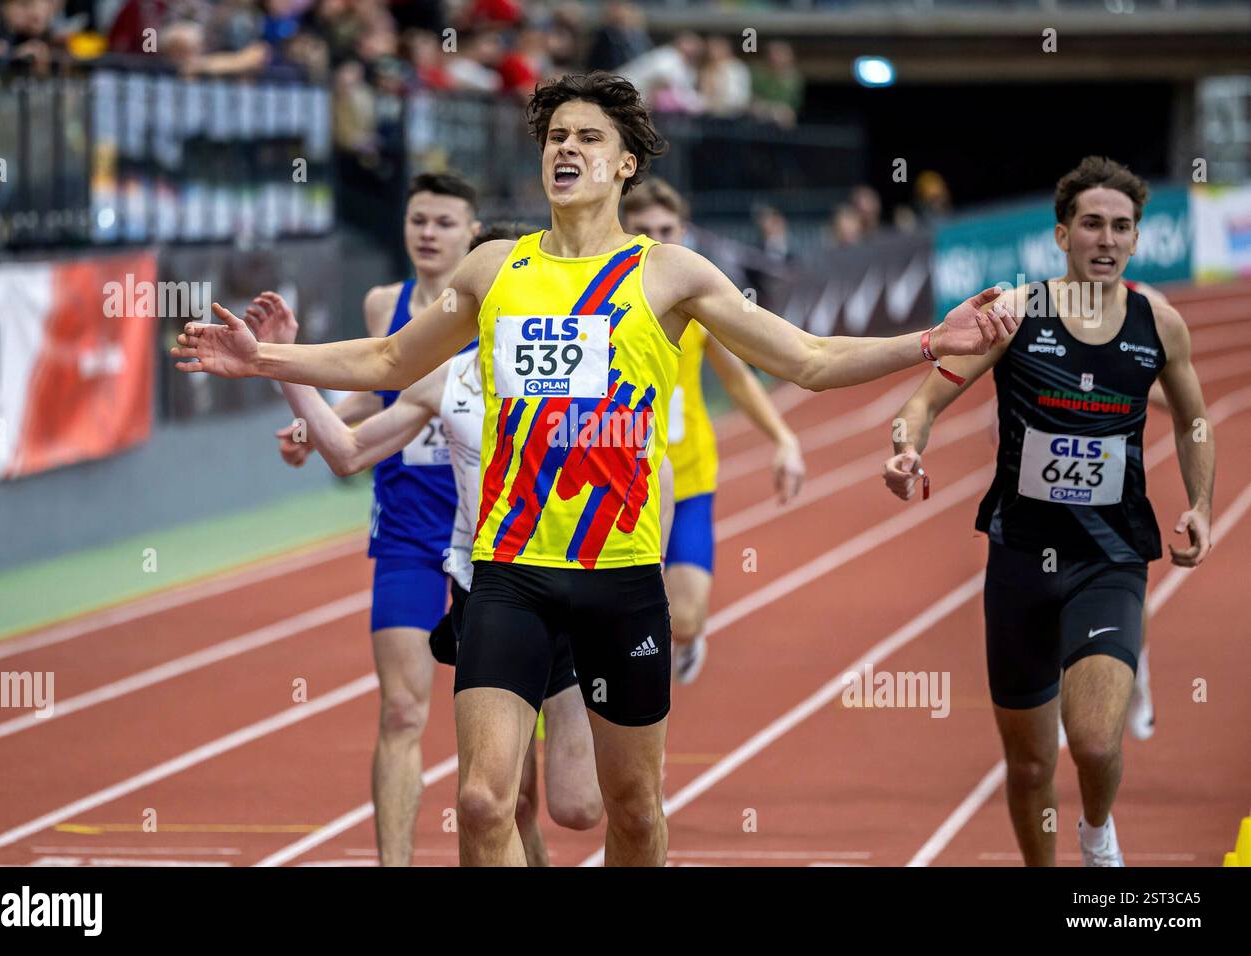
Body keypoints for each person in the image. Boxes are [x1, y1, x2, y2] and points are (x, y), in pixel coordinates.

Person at [173, 70, 1016, 867]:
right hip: (509, 570)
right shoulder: (495, 268)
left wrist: (932, 342)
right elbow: (391, 357)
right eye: (555, 136)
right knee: (477, 802)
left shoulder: (668, 273)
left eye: (587, 136)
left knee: (635, 810)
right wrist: (268, 360)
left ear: (624, 162)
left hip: (618, 576)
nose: (565, 148)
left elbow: (811, 359)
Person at [243, 227, 615, 865]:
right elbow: (350, 450)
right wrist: (282, 362)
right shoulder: (451, 379)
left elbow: (646, 467)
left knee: (577, 805)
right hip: (489, 597)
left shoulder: (591, 366)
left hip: (575, 595)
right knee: (482, 802)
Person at [882, 156, 1215, 866]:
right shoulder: (1014, 316)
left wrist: (1202, 506)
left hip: (1111, 556)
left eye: (1121, 227)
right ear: (1061, 235)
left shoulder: (1161, 323)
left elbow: (1193, 422)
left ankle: (1096, 832)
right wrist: (906, 449)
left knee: (1093, 739)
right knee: (1030, 767)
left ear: (1136, 239)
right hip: (1019, 560)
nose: (1106, 239)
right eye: (1091, 224)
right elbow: (923, 401)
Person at [277, 172, 481, 866]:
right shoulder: (382, 304)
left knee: (502, 754)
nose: (428, 232)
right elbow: (381, 390)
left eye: (445, 222)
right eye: (418, 219)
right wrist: (317, 426)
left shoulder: (496, 311)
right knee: (401, 710)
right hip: (406, 530)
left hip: (493, 534)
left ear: (473, 234)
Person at [621, 177, 804, 682]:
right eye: (643, 229)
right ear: (624, 230)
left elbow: (739, 381)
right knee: (623, 624)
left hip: (688, 477)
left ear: (683, 230)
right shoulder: (604, 302)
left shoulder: (700, 300)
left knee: (685, 616)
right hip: (619, 483)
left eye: (666, 228)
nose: (656, 239)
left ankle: (687, 634)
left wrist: (784, 439)